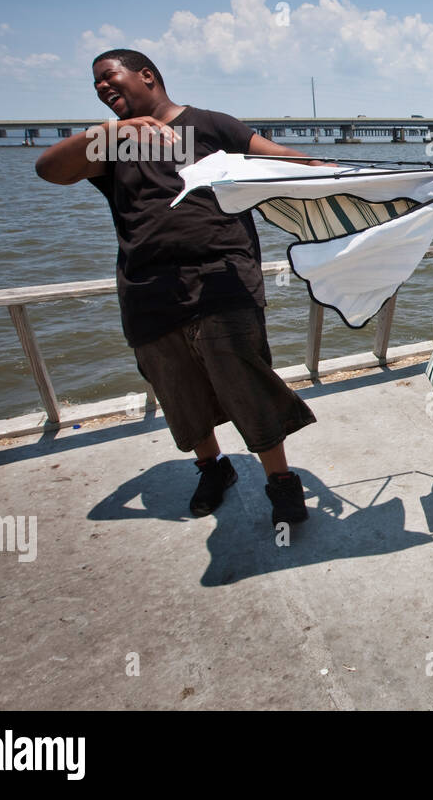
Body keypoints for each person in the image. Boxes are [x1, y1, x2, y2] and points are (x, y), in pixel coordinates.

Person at [35, 49, 325, 529]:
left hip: (223, 279)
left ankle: (281, 481)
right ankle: (214, 469)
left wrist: (354, 179)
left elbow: (290, 164)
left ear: (146, 75)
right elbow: (49, 169)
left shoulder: (210, 126)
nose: (103, 88)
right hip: (146, 289)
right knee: (178, 391)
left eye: (110, 77)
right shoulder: (113, 145)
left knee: (246, 381)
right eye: (96, 86)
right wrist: (111, 132)